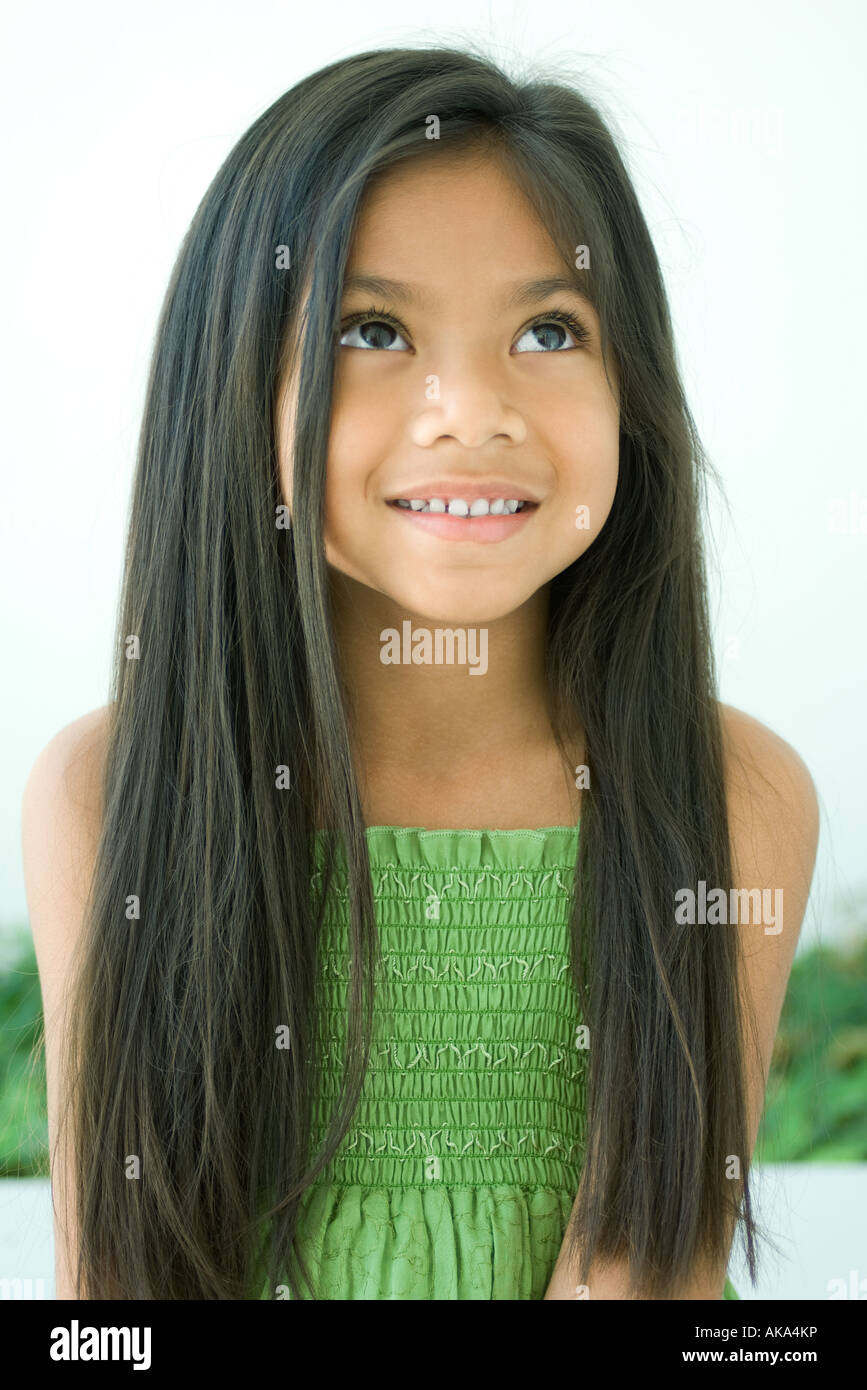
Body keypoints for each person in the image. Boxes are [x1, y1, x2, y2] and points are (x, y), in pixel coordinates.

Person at [21, 44, 819, 1300]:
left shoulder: (730, 790)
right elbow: (114, 1292)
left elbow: (644, 1274)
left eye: (549, 329)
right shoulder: (109, 789)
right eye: (373, 329)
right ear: (237, 382)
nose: (469, 409)